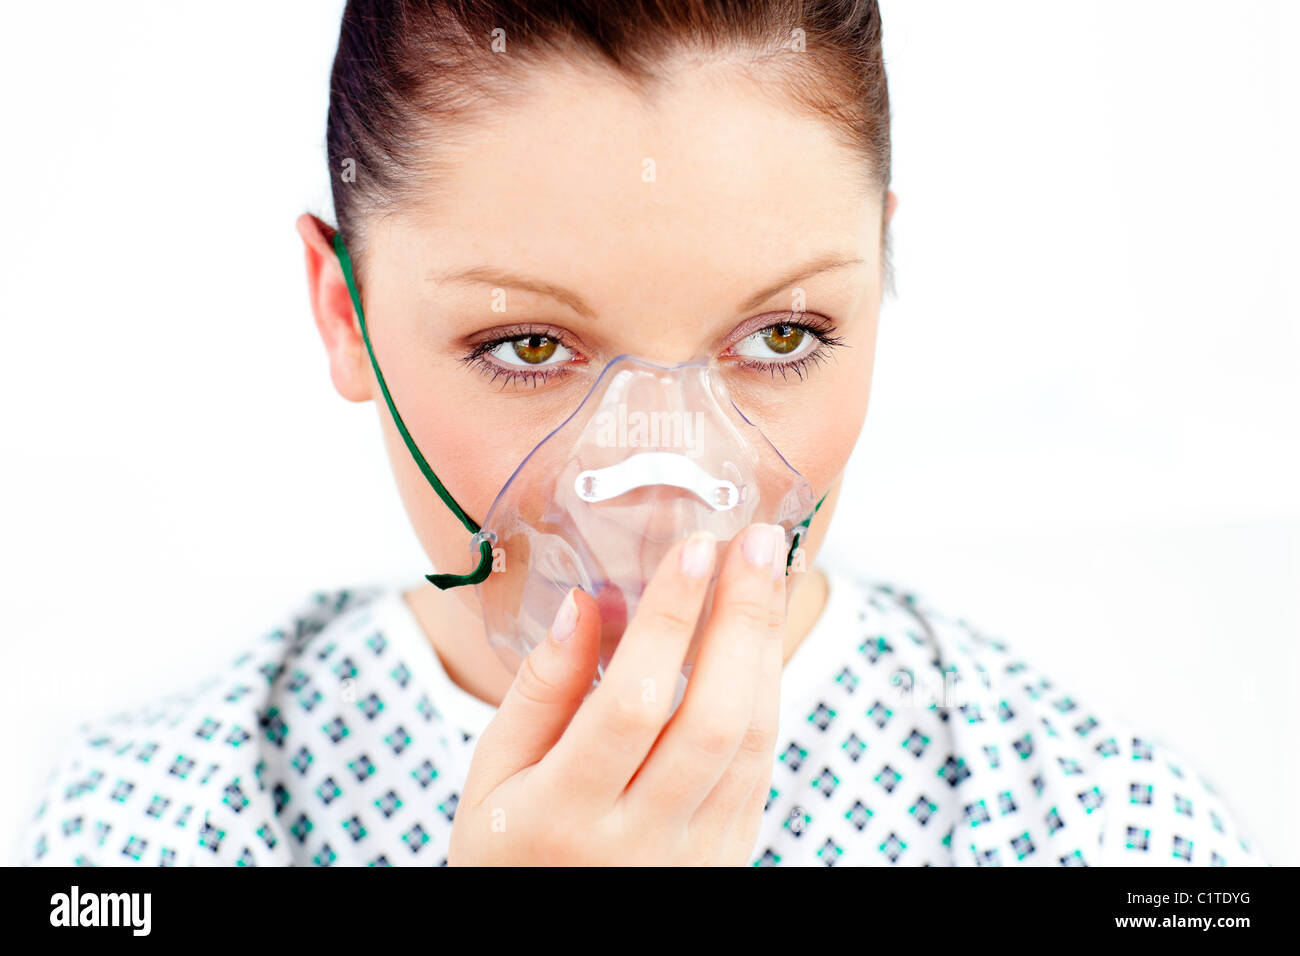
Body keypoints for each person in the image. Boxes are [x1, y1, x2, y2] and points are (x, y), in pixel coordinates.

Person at [20, 0, 1265, 867]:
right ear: (344, 311)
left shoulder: (1105, 830)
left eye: (780, 336)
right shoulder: (143, 831)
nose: (657, 495)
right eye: (526, 346)